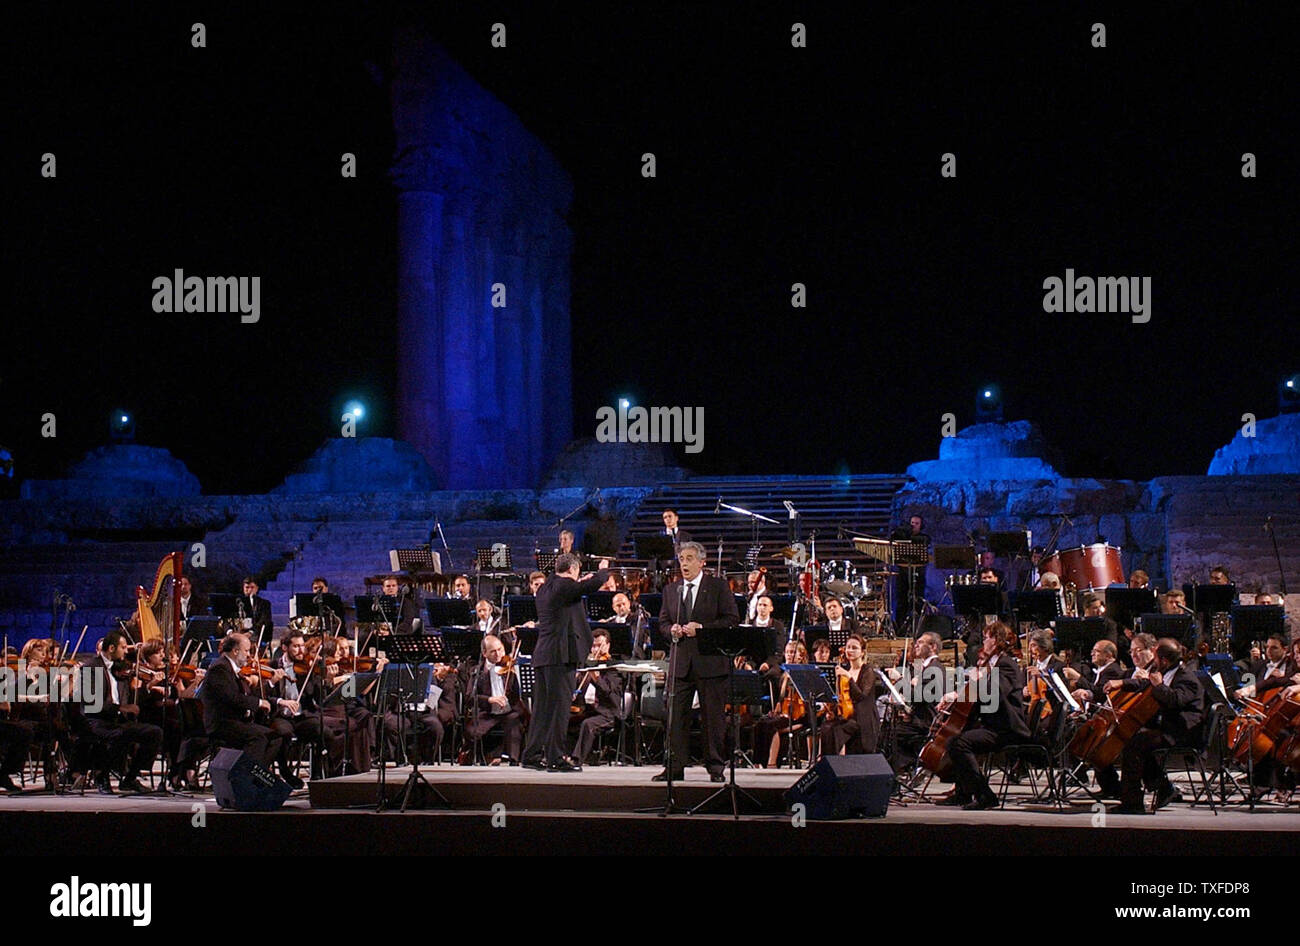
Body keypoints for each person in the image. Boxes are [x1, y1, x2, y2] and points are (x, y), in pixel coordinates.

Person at [655, 541, 740, 782]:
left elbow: (732, 619)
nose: (684, 563)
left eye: (690, 558)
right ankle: (674, 766)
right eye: (681, 558)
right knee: (675, 717)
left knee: (712, 719)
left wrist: (702, 629)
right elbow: (661, 622)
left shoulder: (718, 587)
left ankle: (715, 767)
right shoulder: (672, 590)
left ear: (702, 562)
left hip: (710, 664)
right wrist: (670, 629)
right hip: (680, 664)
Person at [522, 553, 610, 772]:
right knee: (560, 709)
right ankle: (556, 758)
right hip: (560, 656)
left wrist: (579, 581)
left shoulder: (546, 587)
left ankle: (531, 755)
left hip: (544, 656)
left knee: (543, 709)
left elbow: (569, 590)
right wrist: (603, 568)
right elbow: (596, 583)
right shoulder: (564, 588)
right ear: (572, 569)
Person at [937, 621, 1031, 810]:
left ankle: (985, 795)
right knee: (957, 737)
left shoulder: (1007, 665)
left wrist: (972, 684)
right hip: (993, 724)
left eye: (987, 637)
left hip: (1007, 729)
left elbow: (996, 692)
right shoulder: (992, 664)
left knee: (958, 743)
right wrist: (958, 697)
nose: (984, 641)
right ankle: (963, 793)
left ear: (997, 641)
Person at [1106, 637, 1204, 814]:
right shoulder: (1166, 671)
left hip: (1182, 732)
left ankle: (1132, 803)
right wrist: (1121, 682)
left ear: (1164, 660)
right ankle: (1164, 788)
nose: (1153, 661)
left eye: (1155, 657)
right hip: (1167, 728)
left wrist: (1159, 686)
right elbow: (1144, 683)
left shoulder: (1187, 678)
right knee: (1136, 740)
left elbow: (1176, 700)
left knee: (1134, 745)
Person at [81, 630, 165, 795]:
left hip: (117, 720)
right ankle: (101, 776)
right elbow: (93, 704)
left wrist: (147, 687)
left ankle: (130, 778)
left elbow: (129, 698)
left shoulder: (120, 668)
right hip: (96, 721)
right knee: (120, 735)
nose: (127, 651)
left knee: (154, 732)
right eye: (124, 647)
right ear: (111, 648)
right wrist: (120, 708)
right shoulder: (91, 668)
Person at [201, 632, 297, 774]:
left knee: (275, 737)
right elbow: (231, 697)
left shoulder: (233, 669)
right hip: (223, 723)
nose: (249, 656)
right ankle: (242, 775)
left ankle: (256, 774)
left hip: (237, 722)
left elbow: (247, 695)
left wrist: (269, 700)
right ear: (235, 651)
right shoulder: (220, 668)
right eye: (246, 651)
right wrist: (258, 703)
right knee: (259, 737)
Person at [463, 635, 525, 765]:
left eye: (500, 649)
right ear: (484, 653)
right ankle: (484, 758)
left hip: (508, 712)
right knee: (472, 730)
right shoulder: (477, 672)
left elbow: (517, 695)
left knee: (514, 722)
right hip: (487, 712)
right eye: (493, 651)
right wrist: (490, 699)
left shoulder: (509, 668)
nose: (498, 654)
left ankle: (514, 760)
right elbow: (469, 697)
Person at [570, 628, 625, 766]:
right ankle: (560, 756)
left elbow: (607, 691)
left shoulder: (613, 668)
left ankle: (577, 760)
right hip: (587, 710)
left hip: (608, 713)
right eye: (593, 646)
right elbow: (578, 689)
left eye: (599, 645)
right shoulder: (588, 664)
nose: (595, 649)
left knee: (588, 725)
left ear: (607, 645)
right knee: (562, 719)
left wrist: (597, 678)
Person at [824, 634, 884, 755]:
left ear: (862, 652)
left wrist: (849, 677)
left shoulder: (868, 671)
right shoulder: (844, 669)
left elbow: (861, 696)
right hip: (848, 715)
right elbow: (842, 696)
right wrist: (833, 711)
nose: (850, 650)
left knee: (836, 730)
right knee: (827, 727)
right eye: (848, 647)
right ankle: (829, 764)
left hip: (864, 717)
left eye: (854, 648)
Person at [234, 577, 273, 645]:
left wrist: (251, 632)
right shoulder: (236, 602)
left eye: (252, 587)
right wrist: (230, 632)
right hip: (238, 632)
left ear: (257, 588)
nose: (249, 590)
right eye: (247, 587)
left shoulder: (265, 604)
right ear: (243, 588)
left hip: (255, 633)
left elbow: (264, 621)